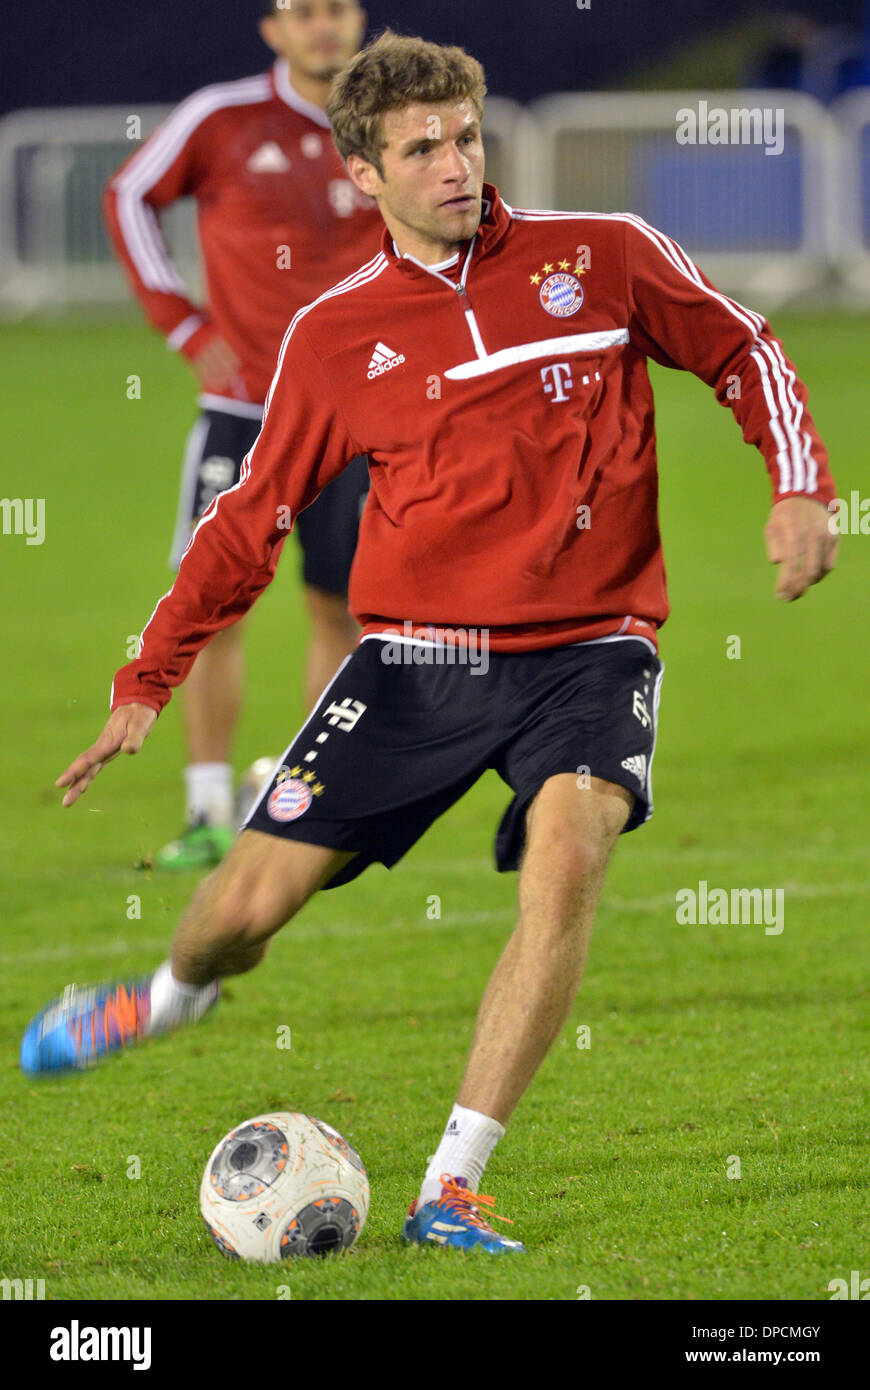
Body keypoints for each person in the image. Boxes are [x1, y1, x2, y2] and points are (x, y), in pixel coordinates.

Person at [25, 31, 837, 1254]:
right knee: (237, 914)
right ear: (365, 173)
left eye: (466, 137)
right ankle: (170, 995)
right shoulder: (338, 333)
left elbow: (745, 346)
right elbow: (251, 518)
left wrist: (798, 486)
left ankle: (451, 1184)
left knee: (568, 850)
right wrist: (149, 676)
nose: (457, 165)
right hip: (413, 662)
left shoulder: (601, 256)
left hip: (591, 650)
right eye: (424, 149)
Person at [103, 0, 382, 869]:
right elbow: (128, 195)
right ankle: (207, 813)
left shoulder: (387, 121)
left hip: (356, 416)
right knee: (215, 606)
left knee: (340, 605)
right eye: (303, 12)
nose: (323, 27)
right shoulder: (221, 118)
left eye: (337, 9)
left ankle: (302, 800)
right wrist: (182, 325)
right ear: (273, 29)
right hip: (245, 411)